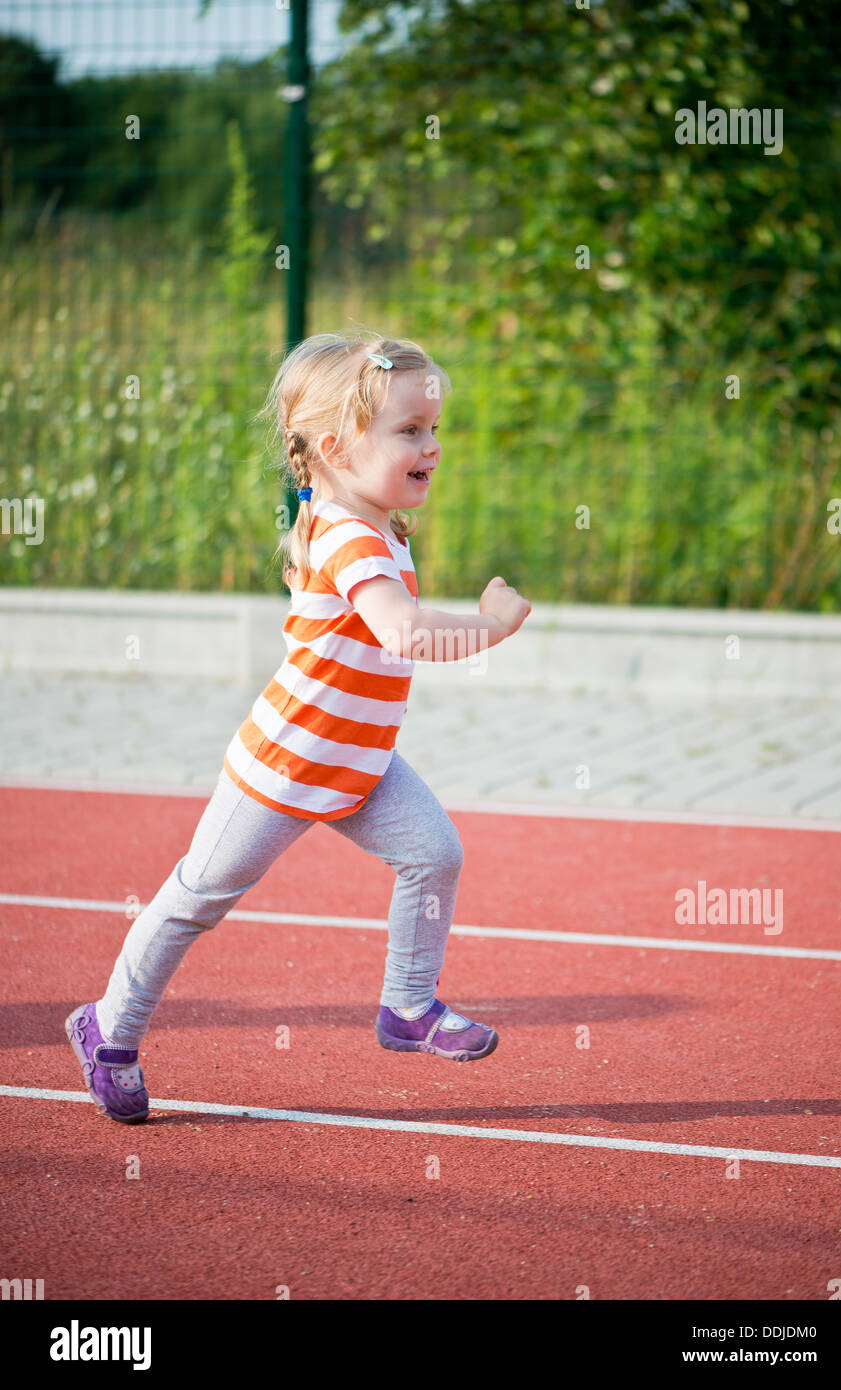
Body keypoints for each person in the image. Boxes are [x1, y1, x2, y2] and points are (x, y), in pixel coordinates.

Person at [65, 332, 532, 1123]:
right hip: (284, 766)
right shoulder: (351, 537)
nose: (433, 447)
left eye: (434, 429)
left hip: (356, 764)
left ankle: (406, 1006)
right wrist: (491, 627)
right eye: (410, 431)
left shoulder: (365, 519)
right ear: (333, 445)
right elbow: (405, 633)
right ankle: (110, 1027)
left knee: (433, 854)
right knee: (195, 901)